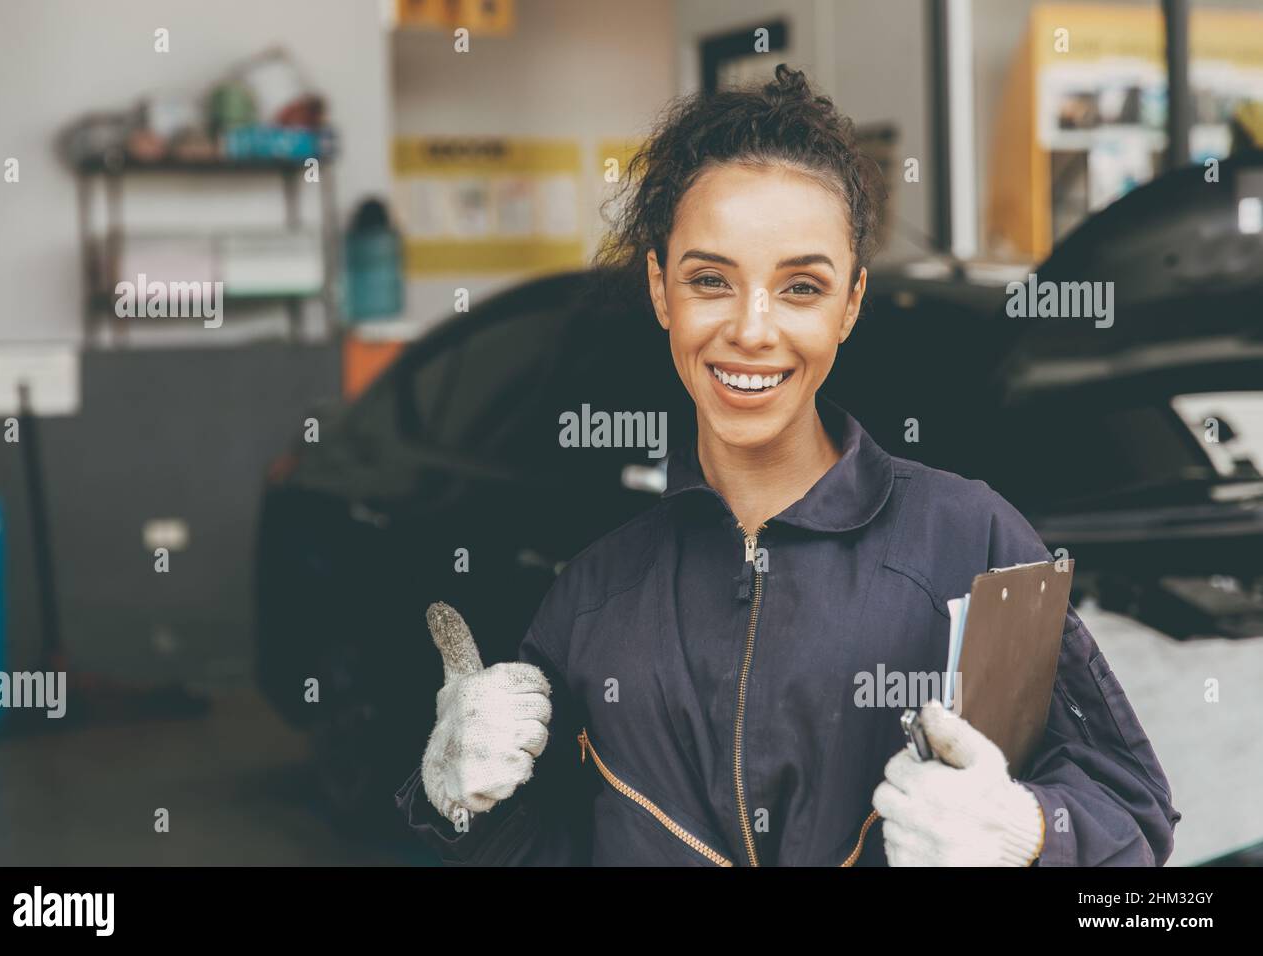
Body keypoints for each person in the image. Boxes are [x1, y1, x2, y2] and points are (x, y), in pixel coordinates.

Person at [394, 64, 1180, 866]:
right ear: (661, 291)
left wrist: (1029, 832)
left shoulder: (970, 542)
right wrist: (457, 797)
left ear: (851, 304)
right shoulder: (592, 596)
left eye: (801, 286)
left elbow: (1133, 814)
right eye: (710, 280)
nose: (752, 330)